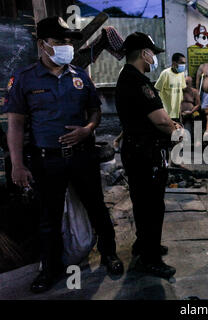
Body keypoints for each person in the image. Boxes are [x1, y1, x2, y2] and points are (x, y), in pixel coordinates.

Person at [4, 16, 123, 293]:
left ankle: (109, 254)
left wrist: (88, 129)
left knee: (97, 207)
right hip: (47, 160)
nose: (66, 47)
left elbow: (95, 111)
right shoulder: (24, 78)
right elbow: (15, 125)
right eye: (59, 42)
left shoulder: (79, 76)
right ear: (42, 45)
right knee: (49, 217)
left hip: (82, 155)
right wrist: (18, 165)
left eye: (68, 42)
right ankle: (50, 268)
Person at [115, 32, 180, 278]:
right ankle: (149, 258)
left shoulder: (126, 77)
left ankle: (143, 245)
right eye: (152, 53)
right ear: (144, 53)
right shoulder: (138, 82)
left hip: (137, 150)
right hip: (144, 154)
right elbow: (161, 121)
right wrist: (176, 129)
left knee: (143, 203)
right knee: (151, 206)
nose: (154, 58)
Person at [155, 52, 187, 121]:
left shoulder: (181, 74)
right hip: (166, 113)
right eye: (181, 63)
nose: (183, 65)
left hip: (176, 113)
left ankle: (197, 132)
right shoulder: (165, 73)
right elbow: (157, 90)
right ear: (174, 63)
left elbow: (180, 93)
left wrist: (180, 112)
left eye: (184, 63)